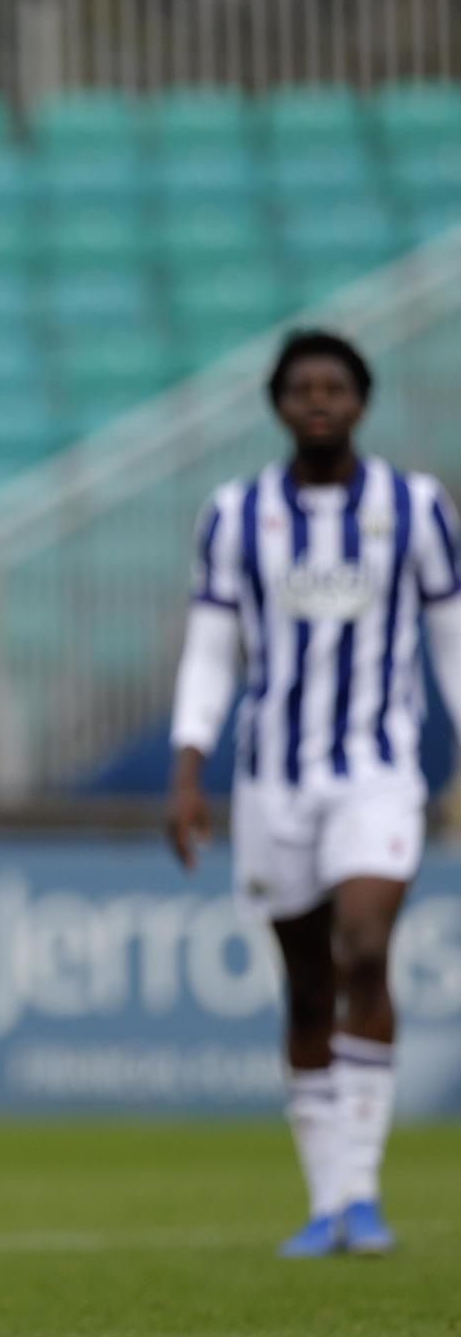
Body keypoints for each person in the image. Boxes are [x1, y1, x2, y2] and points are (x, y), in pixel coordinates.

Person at [166, 329, 461, 1258]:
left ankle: (364, 1195)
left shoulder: (415, 508)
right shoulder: (235, 512)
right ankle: (327, 1199)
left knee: (365, 947)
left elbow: (452, 639)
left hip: (377, 768)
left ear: (362, 402)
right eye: (303, 387)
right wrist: (187, 766)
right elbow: (214, 648)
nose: (319, 400)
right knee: (303, 988)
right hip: (272, 781)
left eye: (335, 386)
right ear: (280, 404)